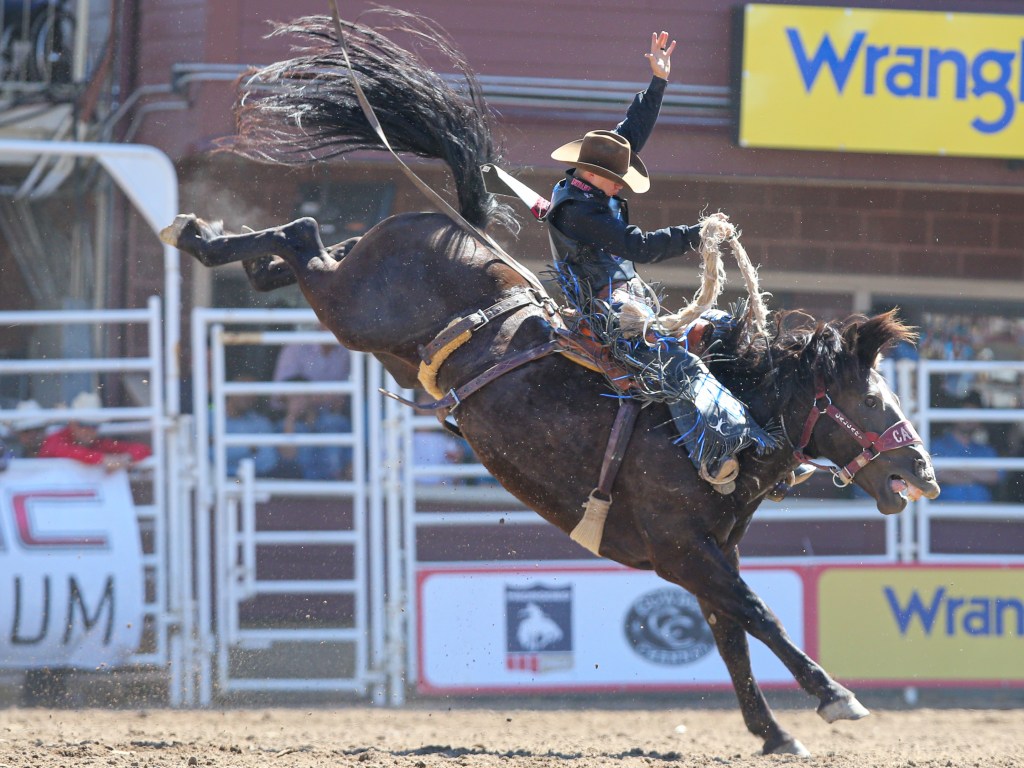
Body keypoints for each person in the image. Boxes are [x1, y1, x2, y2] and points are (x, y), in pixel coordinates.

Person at [544, 31, 790, 495]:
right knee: (676, 365)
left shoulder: (590, 185)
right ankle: (717, 451)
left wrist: (657, 82)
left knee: (717, 330)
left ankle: (759, 437)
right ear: (593, 175)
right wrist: (697, 234)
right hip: (607, 314)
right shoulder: (578, 211)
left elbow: (630, 133)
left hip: (627, 301)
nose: (621, 185)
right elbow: (638, 247)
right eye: (616, 180)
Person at [272, 326, 353, 480]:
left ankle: (334, 484)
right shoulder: (296, 347)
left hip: (329, 417)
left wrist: (312, 398)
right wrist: (303, 403)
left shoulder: (345, 351)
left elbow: (342, 396)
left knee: (335, 424)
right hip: (294, 417)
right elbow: (279, 394)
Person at [38, 392, 151, 472]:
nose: (88, 430)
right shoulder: (56, 439)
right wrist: (103, 459)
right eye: (82, 425)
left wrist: (127, 458)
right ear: (72, 424)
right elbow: (61, 450)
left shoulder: (98, 444)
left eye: (93, 425)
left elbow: (143, 449)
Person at [929, 391, 1001, 503]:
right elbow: (933, 475)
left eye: (974, 414)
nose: (969, 418)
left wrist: (958, 470)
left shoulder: (986, 450)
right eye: (965, 413)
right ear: (954, 416)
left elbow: (995, 476)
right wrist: (976, 472)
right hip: (945, 513)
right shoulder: (936, 445)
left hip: (983, 513)